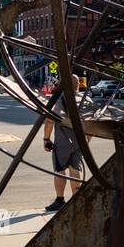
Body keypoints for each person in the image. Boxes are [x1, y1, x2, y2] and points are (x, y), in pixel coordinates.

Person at [42, 75, 84, 211]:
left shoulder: (59, 100)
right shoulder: (85, 100)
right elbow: (91, 127)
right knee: (75, 170)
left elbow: (49, 120)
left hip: (62, 142)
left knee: (60, 171)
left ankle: (60, 200)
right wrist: (86, 142)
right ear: (78, 85)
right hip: (79, 143)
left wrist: (46, 139)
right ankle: (76, 200)